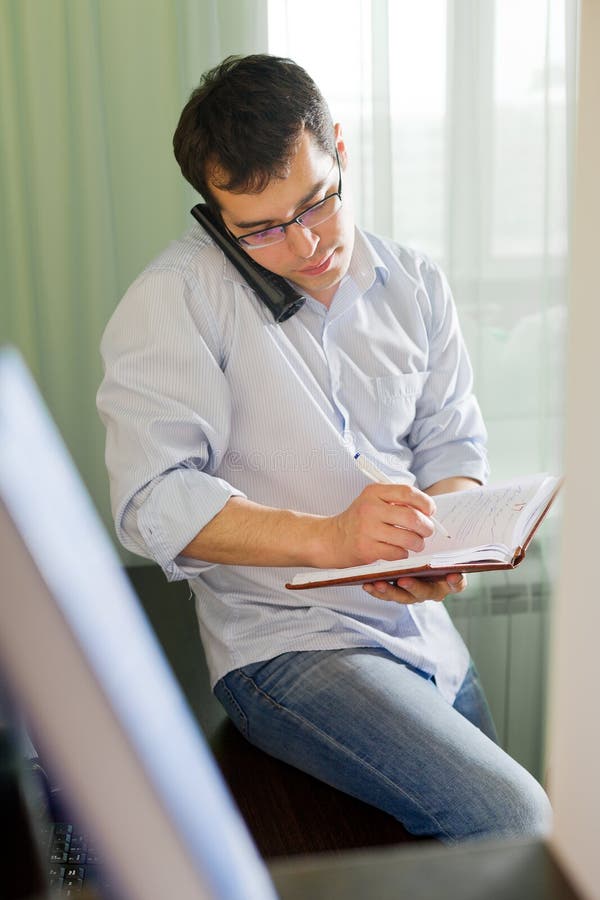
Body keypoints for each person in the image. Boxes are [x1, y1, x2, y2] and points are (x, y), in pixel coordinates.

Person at [97, 54, 551, 842]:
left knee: (504, 854)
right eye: (262, 228)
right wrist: (332, 538)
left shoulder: (414, 281)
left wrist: (436, 537)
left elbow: (450, 440)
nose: (306, 244)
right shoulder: (174, 302)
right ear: (213, 213)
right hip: (285, 646)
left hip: (428, 642)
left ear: (338, 146)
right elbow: (149, 502)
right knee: (516, 818)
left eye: (318, 203)